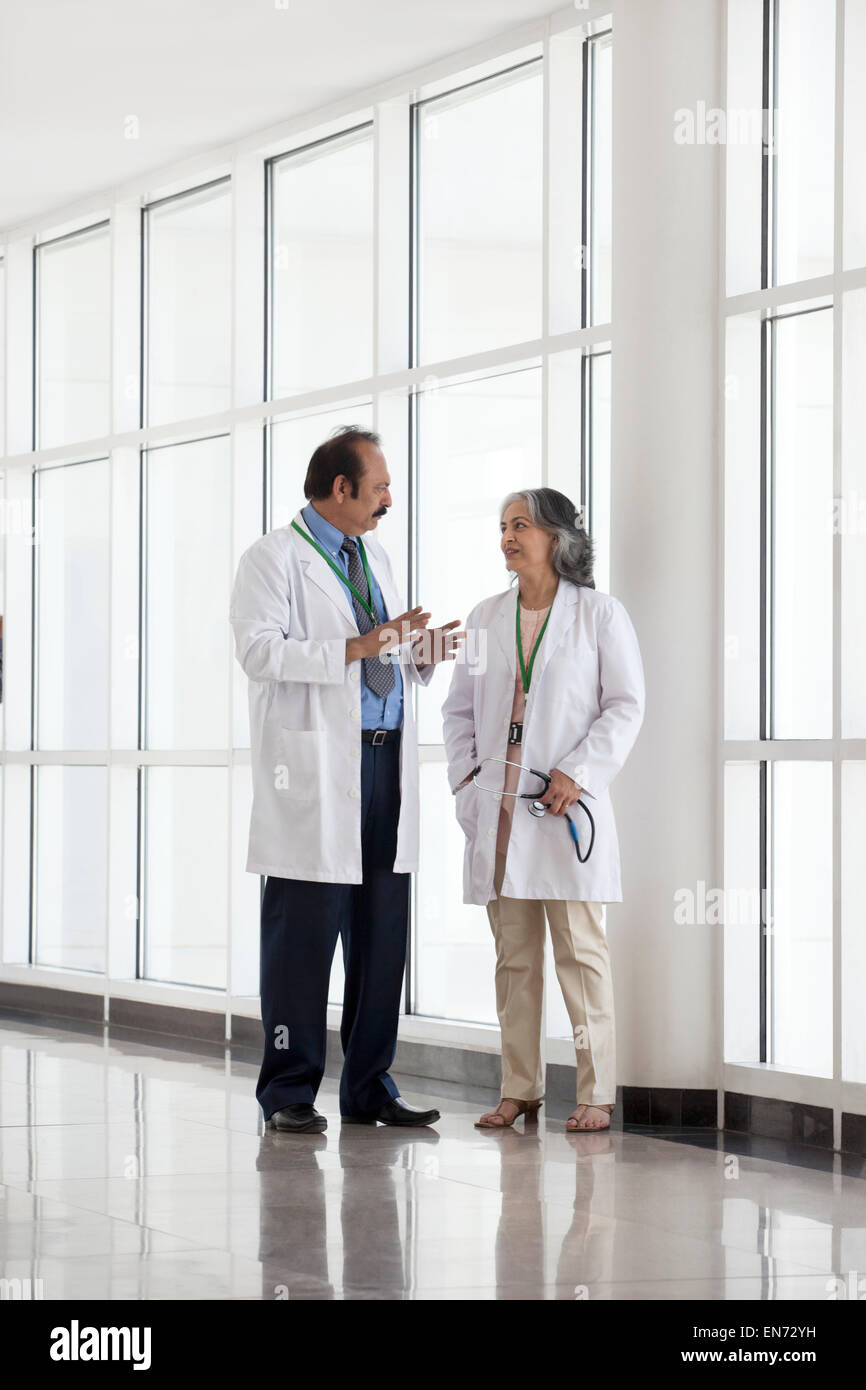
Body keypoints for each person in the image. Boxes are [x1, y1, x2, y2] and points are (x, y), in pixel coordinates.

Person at [231, 426, 464, 1133]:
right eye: (380, 486)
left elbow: (383, 653)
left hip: (384, 760)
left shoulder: (375, 556)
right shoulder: (272, 559)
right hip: (316, 770)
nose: (388, 498)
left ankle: (370, 1087)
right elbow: (258, 652)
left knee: (380, 931)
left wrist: (419, 652)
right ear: (341, 487)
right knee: (303, 937)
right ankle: (289, 1091)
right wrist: (358, 645)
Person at [441, 488, 645, 1132]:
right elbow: (458, 712)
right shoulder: (484, 616)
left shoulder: (600, 615)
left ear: (556, 537)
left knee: (581, 956)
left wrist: (578, 773)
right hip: (500, 807)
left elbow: (625, 705)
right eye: (503, 525)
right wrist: (468, 778)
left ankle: (594, 1092)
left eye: (521, 525)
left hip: (564, 807)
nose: (508, 536)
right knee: (515, 959)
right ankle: (519, 1088)